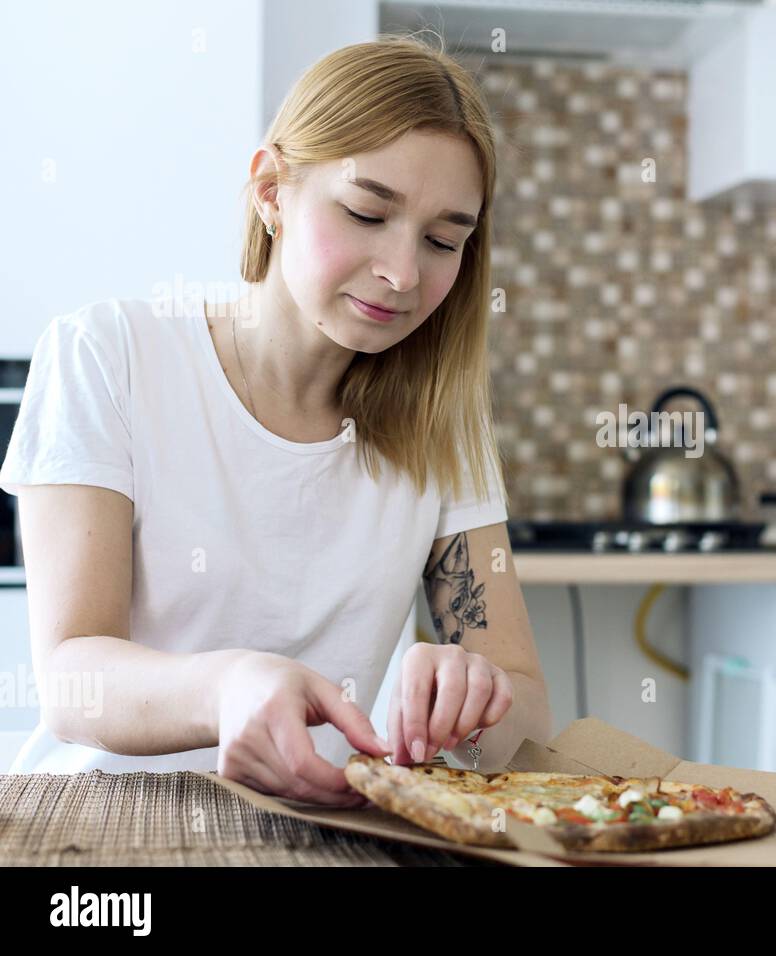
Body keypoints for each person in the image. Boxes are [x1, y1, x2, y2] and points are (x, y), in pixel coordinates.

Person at [0, 33, 552, 807]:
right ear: (271, 191)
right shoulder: (109, 354)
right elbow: (70, 679)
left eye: (441, 240)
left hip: (321, 834)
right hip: (94, 822)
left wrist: (476, 697)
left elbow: (525, 712)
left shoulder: (441, 420)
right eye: (366, 213)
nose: (402, 273)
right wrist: (229, 686)